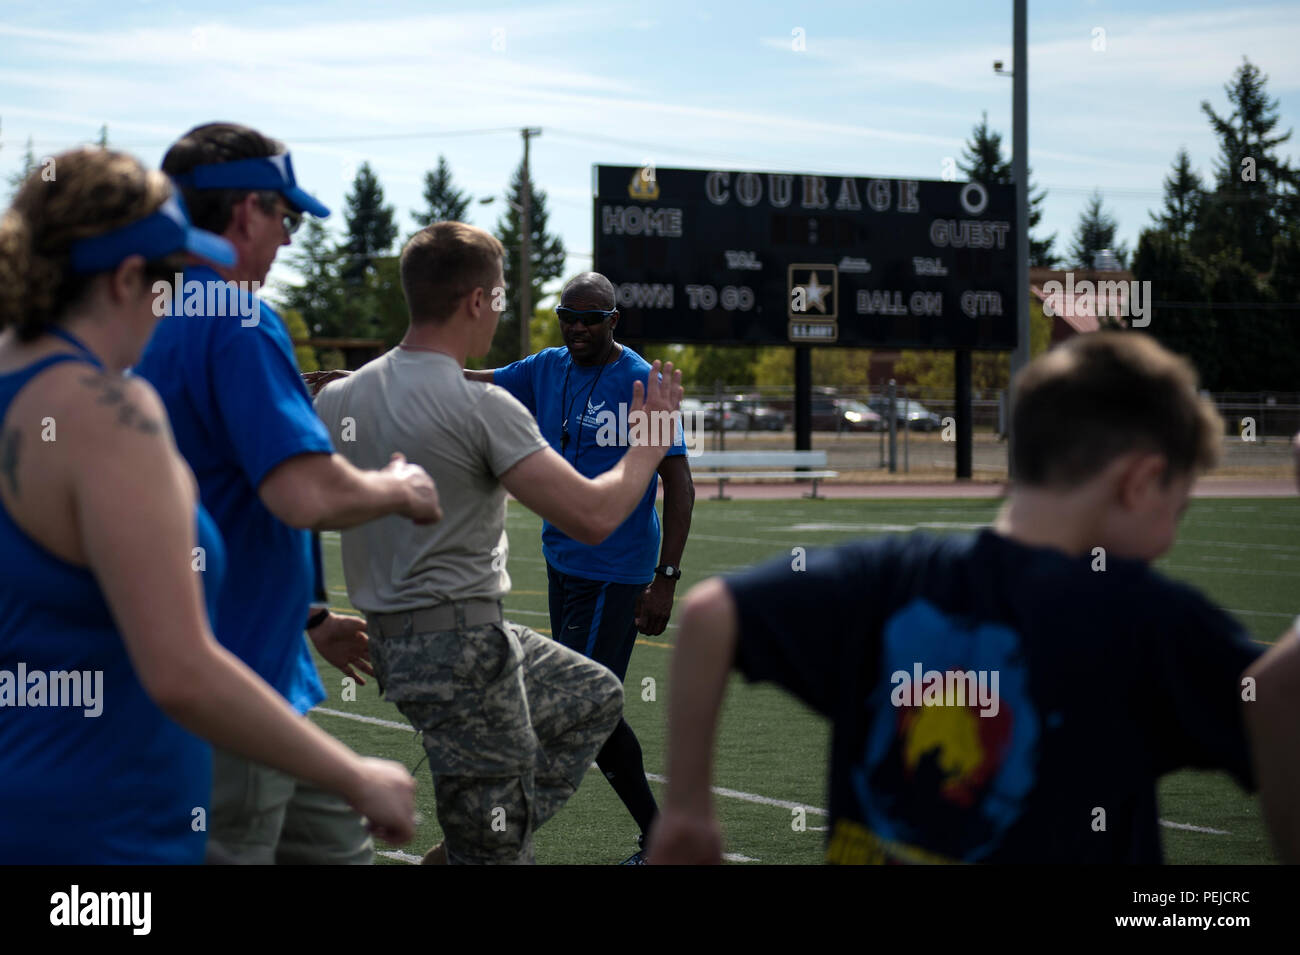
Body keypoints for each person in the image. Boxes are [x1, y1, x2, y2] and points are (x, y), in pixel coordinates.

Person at [648, 331, 1298, 864]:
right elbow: (1275, 691)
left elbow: (711, 612)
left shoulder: (889, 578)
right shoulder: (1146, 619)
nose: (1170, 538)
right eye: (1177, 508)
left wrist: (686, 813)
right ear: (1141, 481)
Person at [0, 148, 416, 863]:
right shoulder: (109, 411)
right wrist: (355, 774)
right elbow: (180, 669)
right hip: (111, 826)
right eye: (170, 276)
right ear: (127, 278)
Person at [315, 222, 683, 865]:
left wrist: (313, 615)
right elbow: (593, 516)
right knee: (498, 847)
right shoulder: (490, 410)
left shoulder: (344, 394)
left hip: (408, 640)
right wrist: (648, 445)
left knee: (594, 697)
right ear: (477, 302)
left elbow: (275, 504)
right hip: (459, 648)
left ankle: (480, 841)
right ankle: (482, 843)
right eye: (502, 297)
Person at [133, 123, 441, 865]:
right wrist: (398, 487)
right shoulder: (237, 316)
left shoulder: (141, 313)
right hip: (229, 684)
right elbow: (303, 492)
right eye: (286, 217)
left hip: (228, 668)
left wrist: (309, 616)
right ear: (247, 212)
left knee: (340, 852)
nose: (287, 238)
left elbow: (218, 491)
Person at [467, 271, 694, 864]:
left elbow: (679, 482)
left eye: (591, 318)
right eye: (568, 317)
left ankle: (501, 836)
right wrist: (370, 379)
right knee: (591, 706)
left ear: (613, 320)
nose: (578, 328)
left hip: (615, 570)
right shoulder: (547, 367)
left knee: (577, 703)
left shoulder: (641, 382)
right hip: (563, 560)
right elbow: (474, 381)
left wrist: (666, 580)